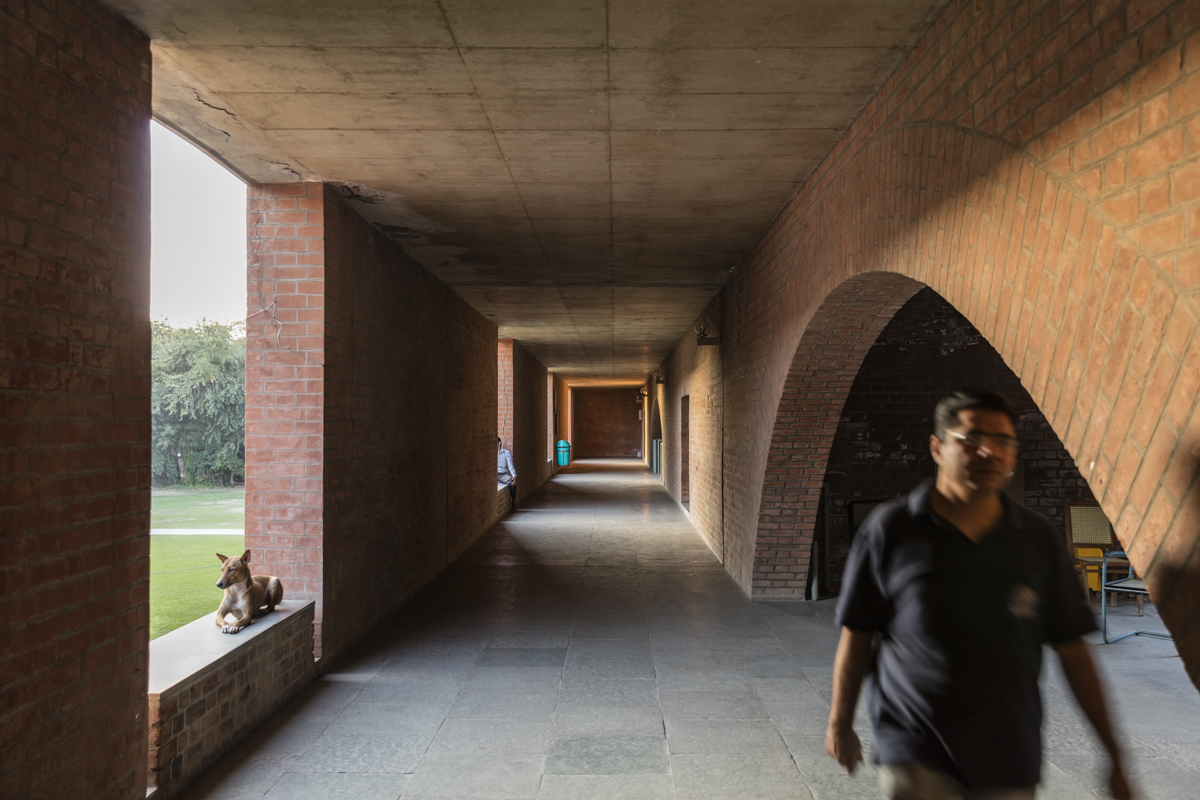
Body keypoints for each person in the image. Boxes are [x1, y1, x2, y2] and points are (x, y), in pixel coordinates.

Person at [825, 388, 1133, 800]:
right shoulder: (891, 530)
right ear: (937, 447)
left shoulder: (1035, 539)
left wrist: (1113, 754)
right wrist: (839, 723)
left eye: (1003, 440)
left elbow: (1072, 647)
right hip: (916, 745)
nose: (989, 451)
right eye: (971, 439)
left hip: (1009, 750)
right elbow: (858, 633)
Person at [498, 436, 516, 506]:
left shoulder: (506, 453)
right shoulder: (490, 453)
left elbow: (510, 466)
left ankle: (514, 502)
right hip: (493, 475)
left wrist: (514, 475)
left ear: (500, 443)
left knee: (512, 481)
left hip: (503, 475)